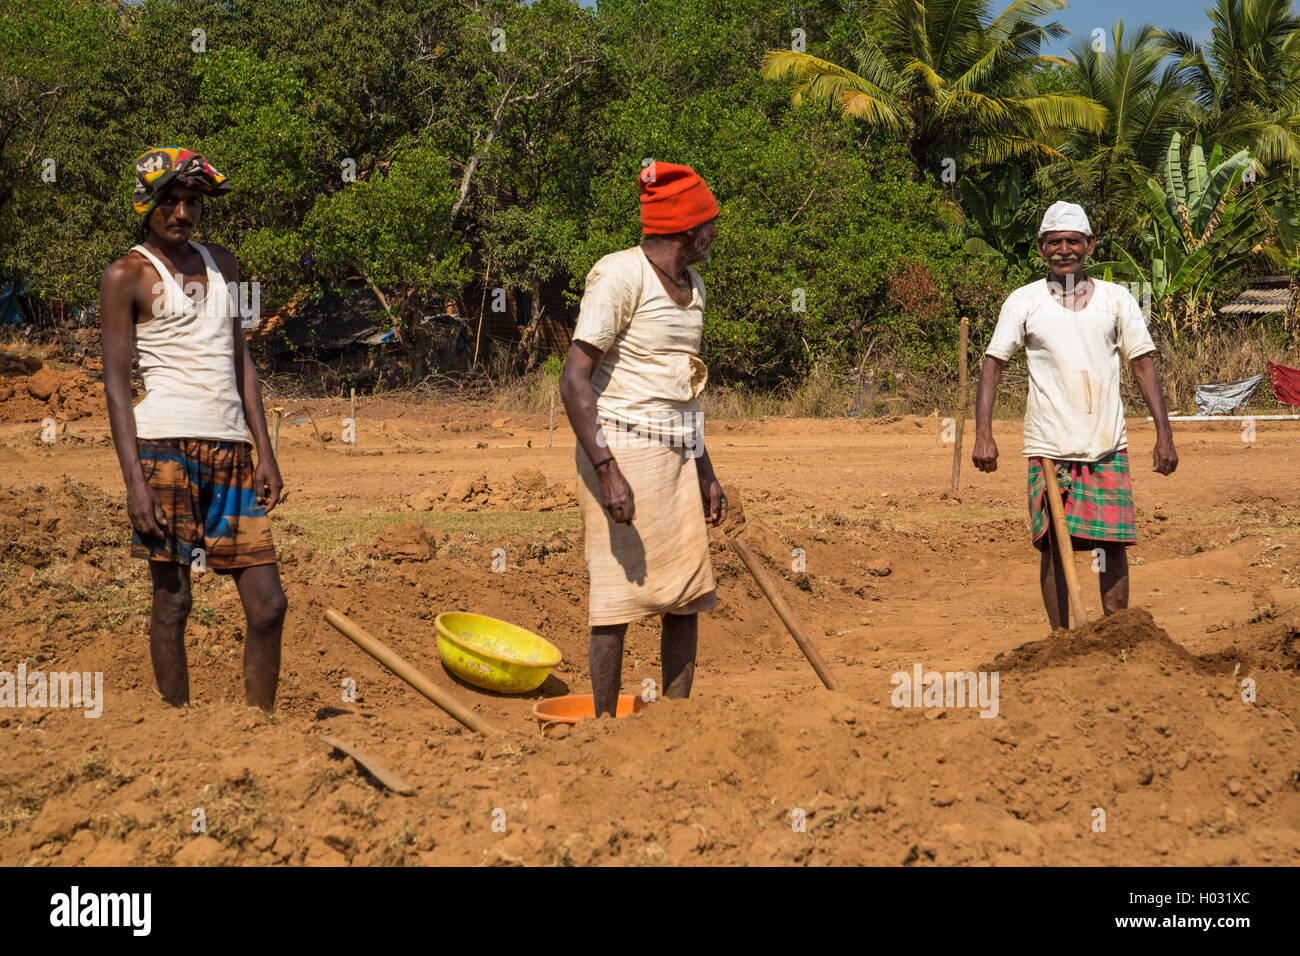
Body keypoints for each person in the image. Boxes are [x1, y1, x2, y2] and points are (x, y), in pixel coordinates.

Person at [99, 148, 286, 710]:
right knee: (174, 602)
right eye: (171, 201)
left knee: (268, 605)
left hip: (232, 453)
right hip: (164, 450)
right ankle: (177, 729)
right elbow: (115, 385)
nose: (182, 213)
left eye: (192, 202)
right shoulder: (126, 275)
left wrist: (266, 451)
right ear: (146, 205)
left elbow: (241, 362)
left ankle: (259, 727)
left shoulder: (222, 263)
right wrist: (134, 482)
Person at [559, 162, 726, 717]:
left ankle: (674, 719)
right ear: (685, 228)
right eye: (709, 224)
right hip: (622, 452)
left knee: (686, 595)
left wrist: (705, 470)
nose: (714, 234)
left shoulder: (694, 287)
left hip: (679, 454)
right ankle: (604, 724)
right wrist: (607, 469)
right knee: (616, 601)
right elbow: (574, 380)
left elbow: (686, 389)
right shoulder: (619, 276)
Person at [972, 201, 1178, 627]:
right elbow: (992, 365)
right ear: (1041, 247)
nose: (1064, 250)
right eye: (1055, 242)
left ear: (1090, 245)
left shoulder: (1116, 299)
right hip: (1048, 445)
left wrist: (1165, 435)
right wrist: (983, 434)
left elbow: (1142, 364)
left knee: (1112, 543)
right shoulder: (1023, 301)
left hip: (1106, 442)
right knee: (1052, 545)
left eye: (1073, 241)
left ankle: (1115, 633)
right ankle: (1061, 639)